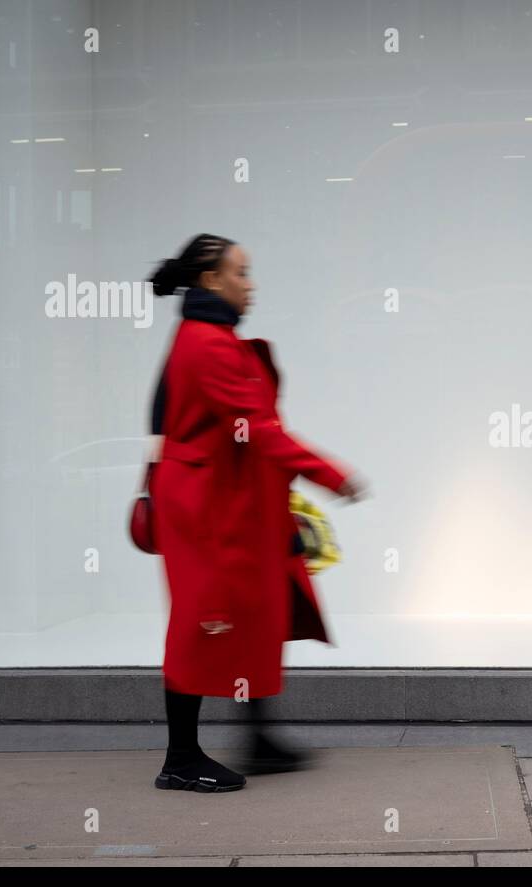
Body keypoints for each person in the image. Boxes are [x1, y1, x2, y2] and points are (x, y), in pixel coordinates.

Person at [145, 233, 368, 793]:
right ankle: (180, 758)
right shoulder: (209, 343)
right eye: (241, 273)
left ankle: (256, 737)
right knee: (203, 622)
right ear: (210, 280)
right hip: (209, 511)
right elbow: (260, 430)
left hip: (233, 502)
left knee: (258, 612)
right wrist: (332, 475)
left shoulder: (203, 336)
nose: (251, 284)